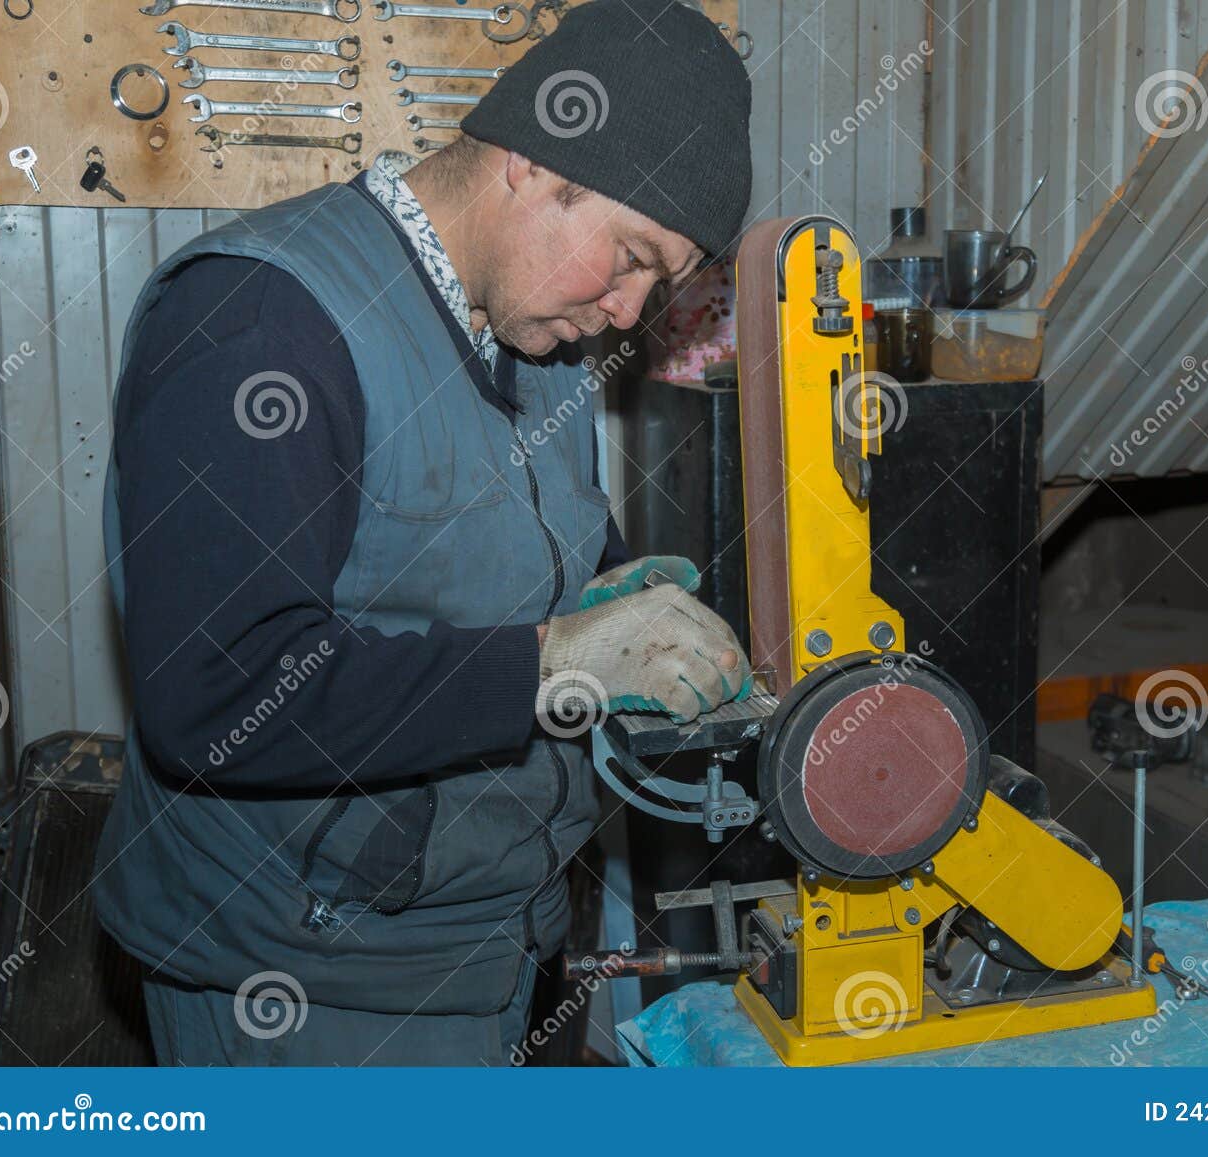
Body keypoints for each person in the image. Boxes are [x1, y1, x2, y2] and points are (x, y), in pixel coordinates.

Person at [93, 0, 753, 1065]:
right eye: (629, 256)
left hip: (484, 947)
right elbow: (215, 694)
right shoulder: (264, 323)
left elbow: (502, 559)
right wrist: (548, 661)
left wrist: (605, 594)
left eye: (658, 283)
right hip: (302, 985)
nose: (630, 313)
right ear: (534, 163)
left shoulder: (534, 339)